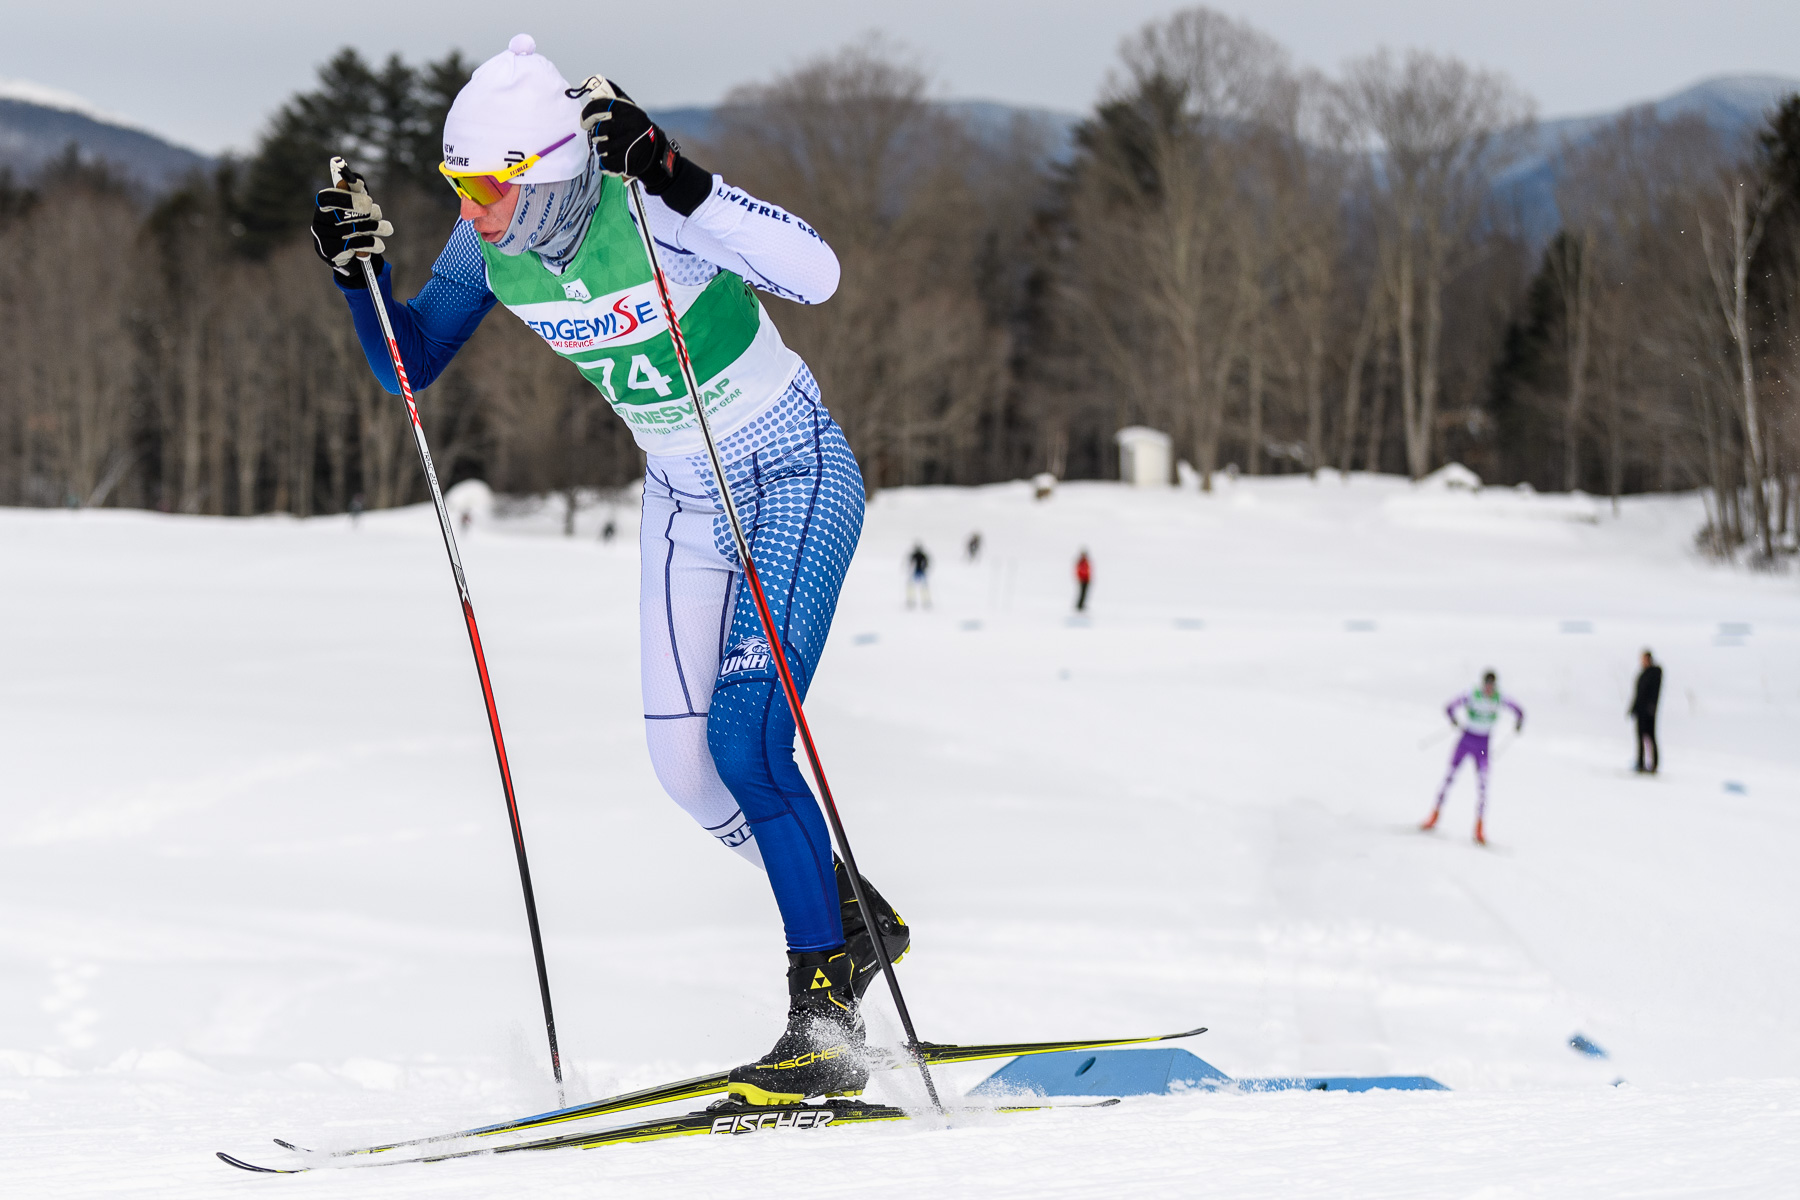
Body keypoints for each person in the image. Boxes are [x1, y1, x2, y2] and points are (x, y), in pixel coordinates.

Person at [310, 34, 907, 1106]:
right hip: (683, 495)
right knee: (688, 774)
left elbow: (817, 274)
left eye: (487, 186)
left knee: (747, 739)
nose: (474, 207)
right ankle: (849, 917)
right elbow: (410, 361)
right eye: (460, 186)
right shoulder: (487, 246)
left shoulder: (649, 205)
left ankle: (827, 1013)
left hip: (789, 466)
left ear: (542, 171)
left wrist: (674, 172)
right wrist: (361, 276)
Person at [1421, 670, 1524, 845]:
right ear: (1483, 683)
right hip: (1466, 740)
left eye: (1492, 685)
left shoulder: (1500, 698)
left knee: (1483, 786)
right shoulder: (1472, 694)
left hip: (1483, 745)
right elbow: (1450, 706)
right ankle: (1434, 816)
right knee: (1449, 777)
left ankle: (1479, 829)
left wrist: (1519, 723)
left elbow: (1519, 711)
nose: (1489, 689)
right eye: (1487, 685)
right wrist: (1453, 720)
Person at [1630, 650, 1662, 774]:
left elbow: (1654, 693)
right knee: (1640, 738)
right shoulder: (1642, 674)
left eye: (1644, 659)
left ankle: (1654, 764)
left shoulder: (1654, 674)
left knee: (1650, 737)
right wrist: (1633, 708)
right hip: (1640, 711)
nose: (1642, 661)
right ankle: (1640, 762)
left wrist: (1651, 707)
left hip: (1649, 712)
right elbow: (1637, 694)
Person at [906, 543, 931, 609]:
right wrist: (925, 567)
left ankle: (912, 599)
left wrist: (909, 568)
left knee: (913, 585)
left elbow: (911, 562)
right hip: (920, 571)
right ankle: (924, 599)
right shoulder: (922, 554)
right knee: (923, 586)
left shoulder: (915, 554)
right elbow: (926, 562)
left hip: (917, 571)